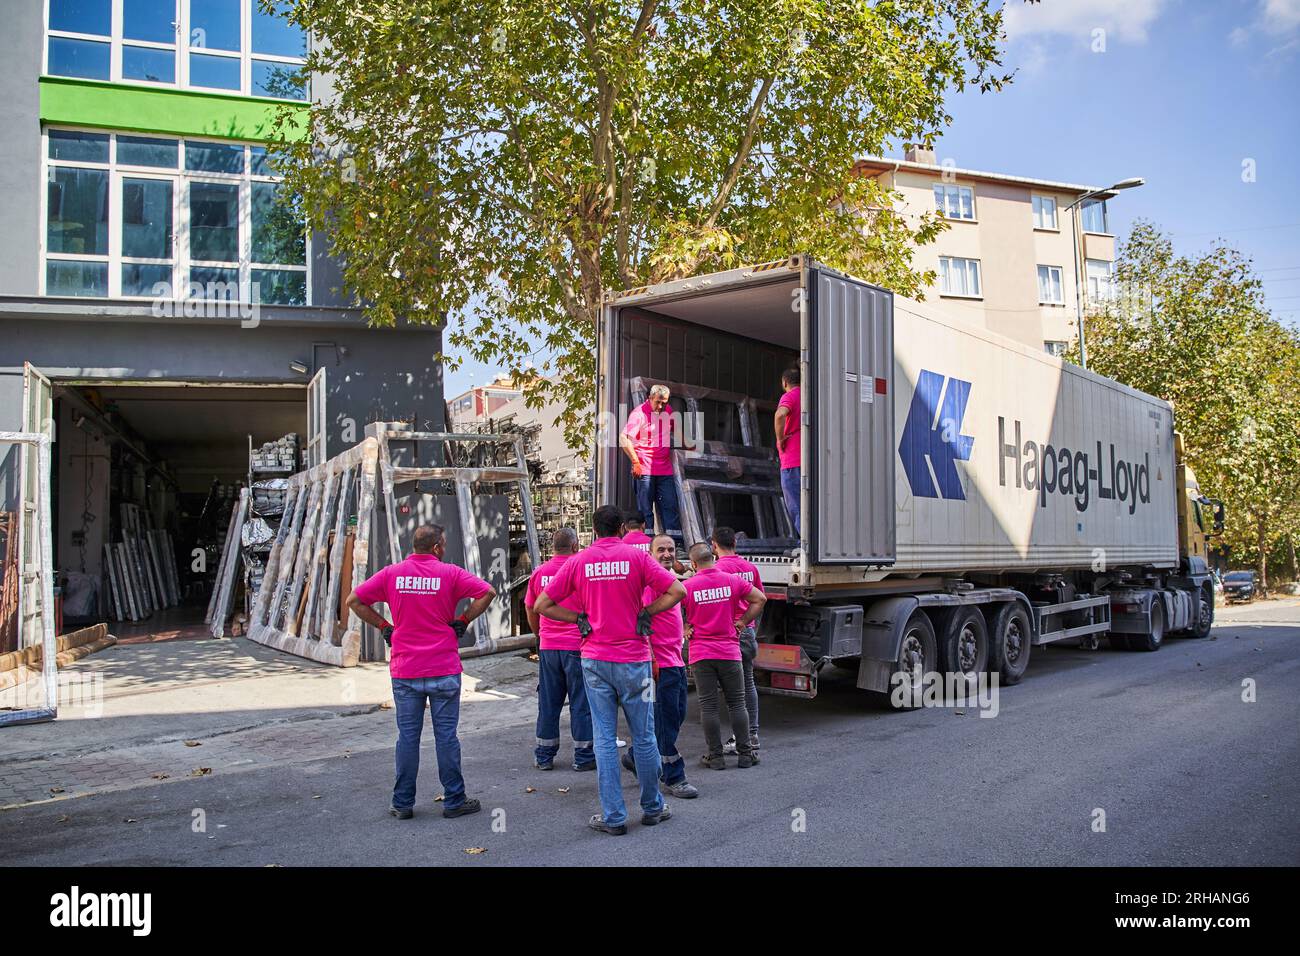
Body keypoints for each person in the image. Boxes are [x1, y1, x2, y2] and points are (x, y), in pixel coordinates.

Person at [534, 505, 686, 835]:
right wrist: (647, 611)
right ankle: (653, 807)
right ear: (620, 529)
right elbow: (678, 590)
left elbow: (541, 605)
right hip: (636, 663)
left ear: (594, 530)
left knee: (603, 737)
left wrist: (577, 619)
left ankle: (614, 816)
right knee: (644, 735)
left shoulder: (578, 561)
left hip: (595, 662)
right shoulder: (637, 558)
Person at [346, 524, 495, 820]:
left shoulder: (392, 573)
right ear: (438, 546)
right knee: (446, 737)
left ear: (414, 546)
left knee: (408, 738)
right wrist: (463, 619)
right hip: (443, 668)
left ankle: (402, 803)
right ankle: (454, 800)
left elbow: (354, 600)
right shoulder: (450, 573)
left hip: (406, 670)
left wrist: (384, 627)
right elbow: (488, 592)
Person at [620, 533, 699, 799]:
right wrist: (652, 659)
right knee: (666, 721)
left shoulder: (669, 580)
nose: (667, 554)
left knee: (674, 716)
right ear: (651, 553)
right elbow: (642, 626)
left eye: (670, 549)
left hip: (675, 661)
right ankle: (674, 776)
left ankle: (634, 756)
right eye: (661, 550)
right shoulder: (650, 584)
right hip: (658, 666)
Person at [680, 542, 766, 770]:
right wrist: (742, 622)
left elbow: (670, 606)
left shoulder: (687, 586)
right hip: (729, 651)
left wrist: (684, 627)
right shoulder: (732, 581)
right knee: (737, 703)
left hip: (701, 654)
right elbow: (760, 599)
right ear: (714, 559)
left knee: (708, 706)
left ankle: (715, 757)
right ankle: (746, 755)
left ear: (693, 564)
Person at [524, 527, 595, 773]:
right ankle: (584, 756)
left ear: (553, 547)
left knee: (548, 702)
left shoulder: (540, 573)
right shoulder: (581, 569)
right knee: (580, 702)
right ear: (575, 546)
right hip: (577, 645)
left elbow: (532, 609)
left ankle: (544, 755)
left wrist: (540, 635)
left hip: (548, 647)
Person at [712, 526, 765, 754]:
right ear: (735, 542)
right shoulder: (749, 568)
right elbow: (760, 598)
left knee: (731, 691)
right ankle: (751, 734)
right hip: (746, 631)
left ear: (714, 546)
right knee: (748, 683)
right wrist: (746, 623)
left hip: (725, 633)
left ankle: (740, 739)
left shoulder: (716, 569)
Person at [620, 383, 680, 535]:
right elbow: (623, 438)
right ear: (650, 398)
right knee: (645, 509)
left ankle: (675, 544)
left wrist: (689, 445)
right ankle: (647, 542)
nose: (660, 406)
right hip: (644, 469)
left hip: (665, 470)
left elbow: (677, 431)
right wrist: (635, 462)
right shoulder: (638, 413)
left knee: (670, 506)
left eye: (664, 402)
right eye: (658, 402)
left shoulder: (668, 411)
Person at [775, 367, 802, 535]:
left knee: (796, 506)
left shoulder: (790, 396)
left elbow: (780, 415)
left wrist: (780, 438)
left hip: (792, 461)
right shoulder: (811, 396)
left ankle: (806, 543)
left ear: (785, 382)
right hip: (811, 460)